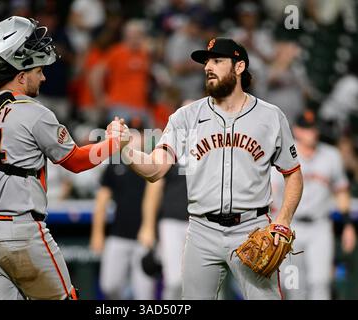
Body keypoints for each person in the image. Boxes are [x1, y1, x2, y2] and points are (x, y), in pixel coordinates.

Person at [111, 37, 304, 300]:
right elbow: (155, 169)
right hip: (202, 231)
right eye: (206, 62)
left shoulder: (270, 116)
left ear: (239, 67)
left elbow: (292, 173)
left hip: (252, 228)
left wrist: (283, 220)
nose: (207, 67)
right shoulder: (185, 117)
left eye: (217, 61)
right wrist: (125, 150)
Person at [0, 16, 125, 300]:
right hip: (22, 234)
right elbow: (75, 161)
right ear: (21, 75)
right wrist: (113, 143)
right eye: (38, 71)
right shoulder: (35, 112)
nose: (43, 77)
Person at [272, 111, 356, 300]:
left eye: (313, 128)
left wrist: (348, 225)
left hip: (320, 227)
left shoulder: (331, 155)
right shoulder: (282, 153)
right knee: (294, 287)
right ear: (297, 131)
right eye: (307, 128)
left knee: (321, 284)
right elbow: (270, 194)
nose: (312, 132)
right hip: (291, 227)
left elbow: (341, 191)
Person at [90, 128, 156, 300]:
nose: (134, 138)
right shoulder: (114, 164)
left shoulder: (153, 163)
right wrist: (97, 233)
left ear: (144, 137)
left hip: (144, 239)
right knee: (109, 286)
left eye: (138, 134)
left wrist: (152, 231)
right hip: (118, 234)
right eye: (131, 133)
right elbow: (102, 200)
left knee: (144, 294)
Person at [139, 163, 189, 299]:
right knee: (174, 281)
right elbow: (153, 188)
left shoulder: (207, 146)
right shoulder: (171, 146)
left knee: (202, 282)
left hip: (201, 222)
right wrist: (148, 226)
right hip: (171, 222)